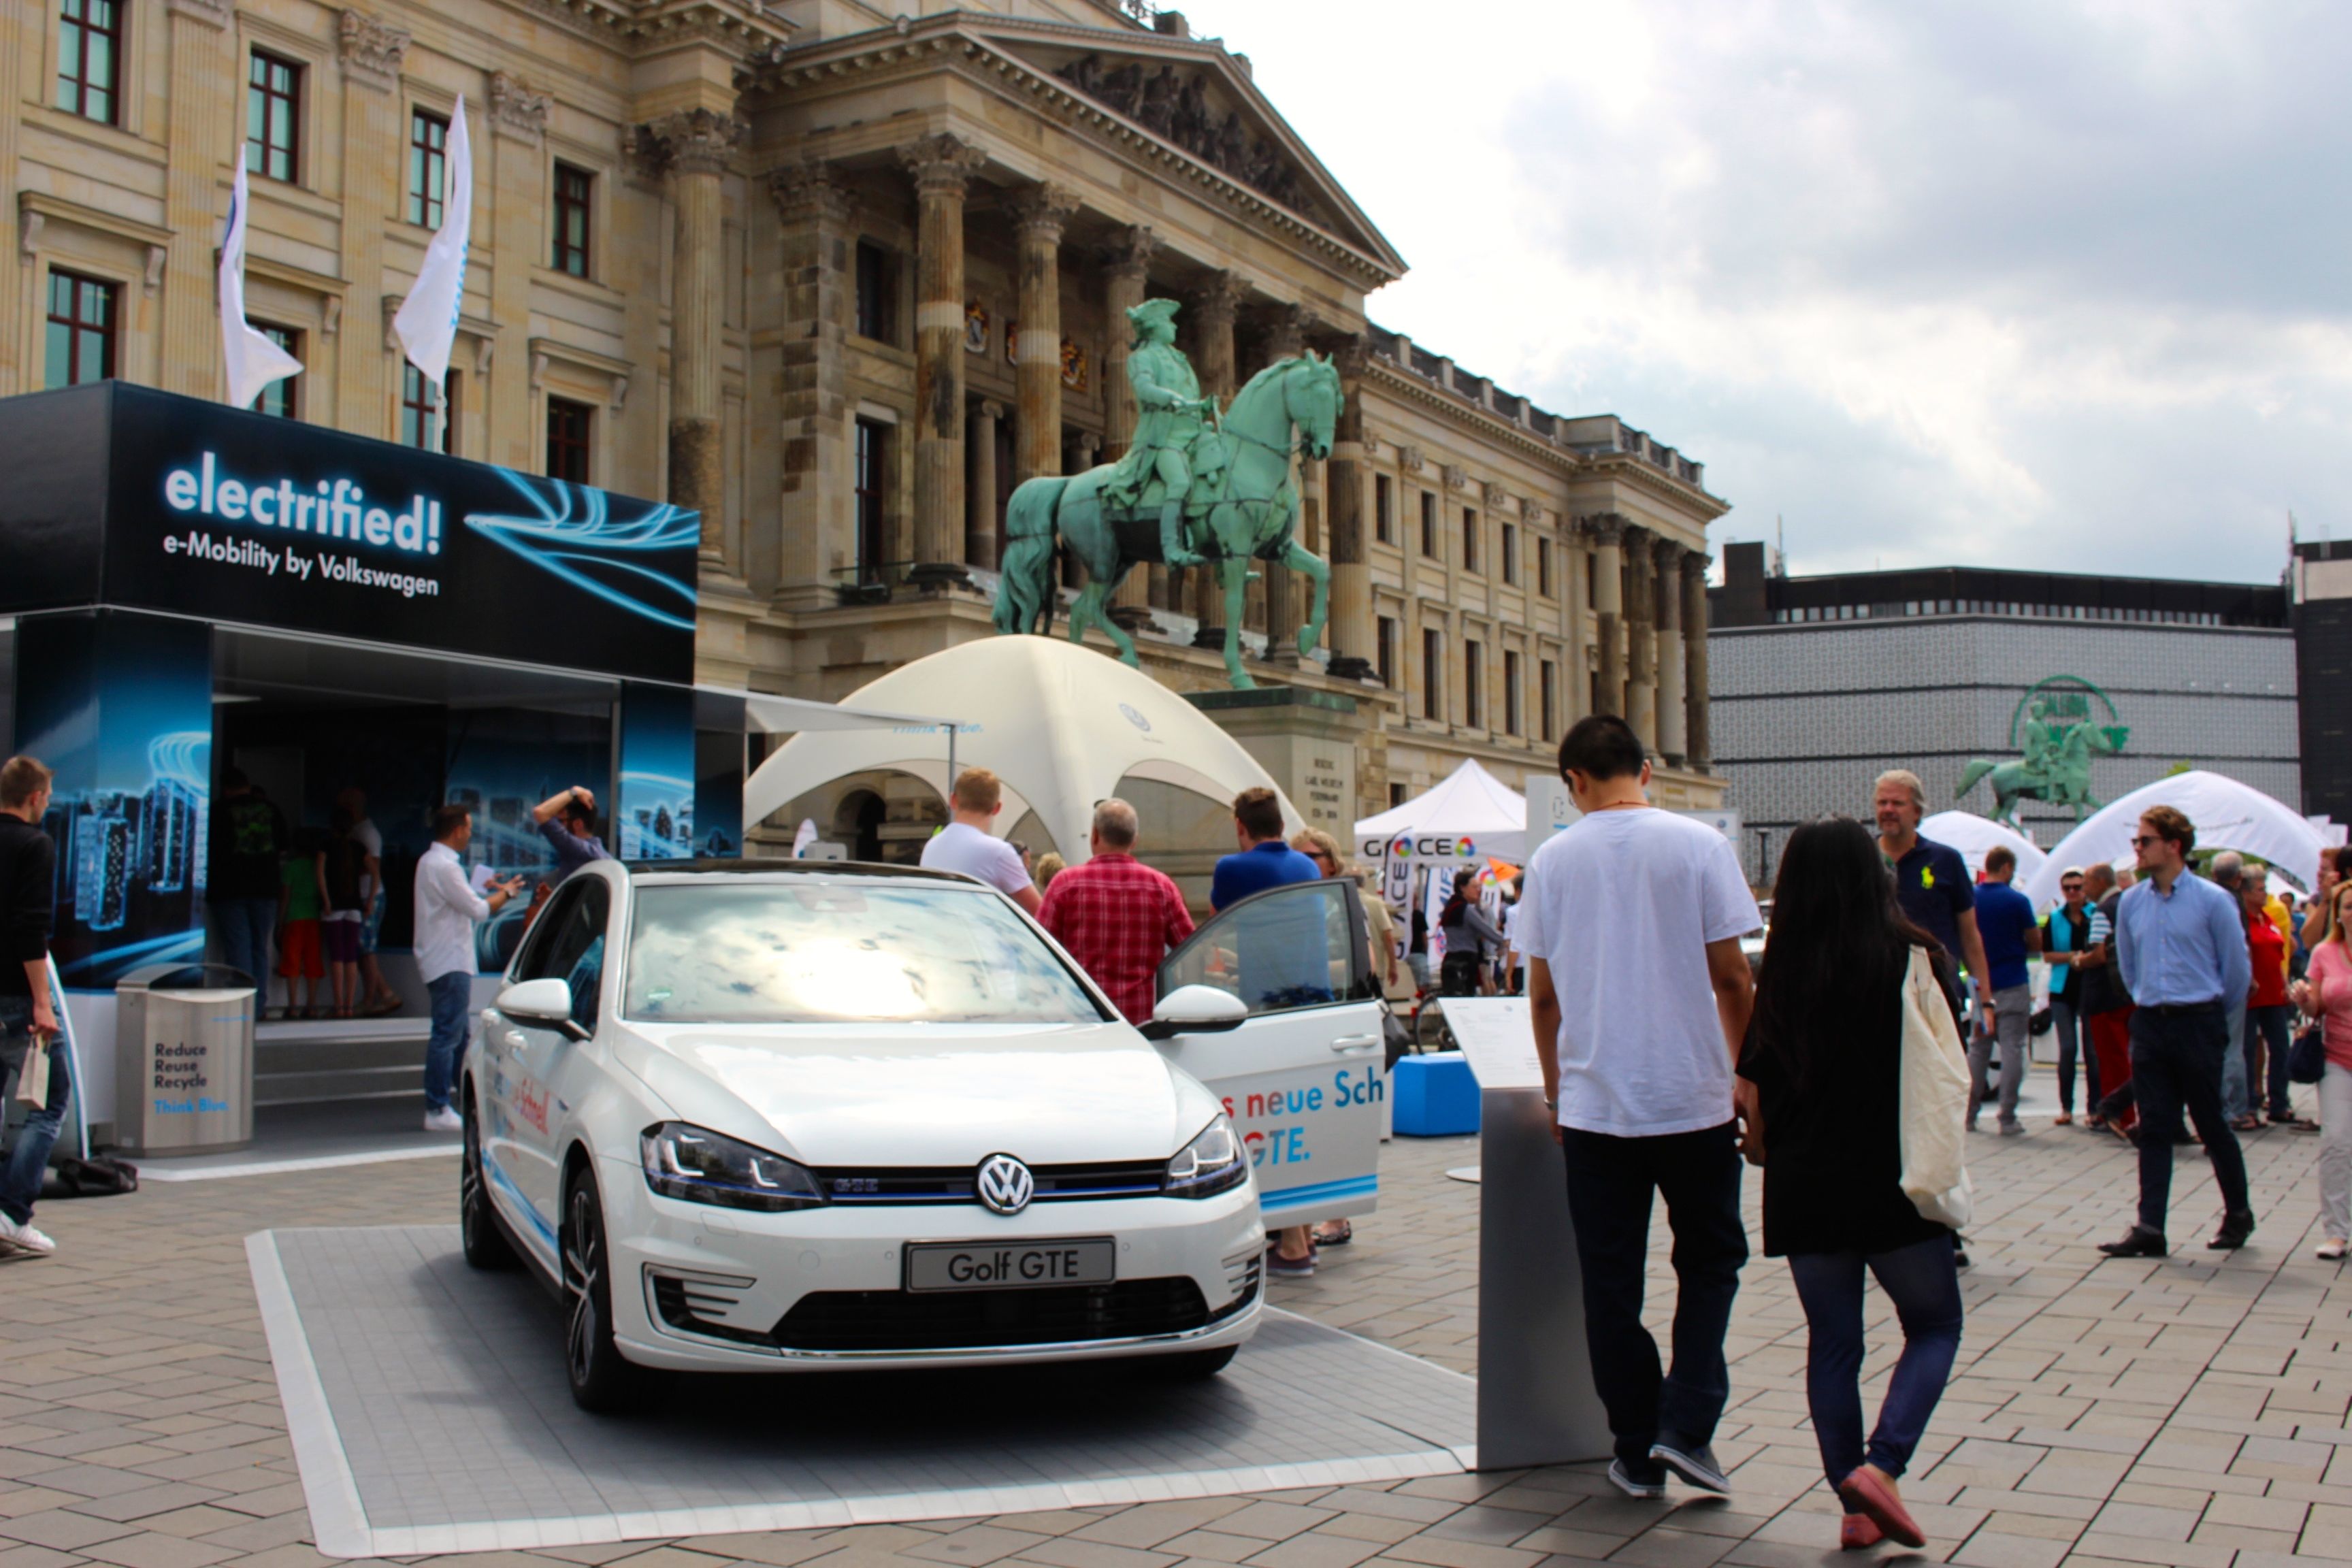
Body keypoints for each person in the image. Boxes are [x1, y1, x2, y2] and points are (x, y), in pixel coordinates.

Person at [1520, 715, 1760, 1501]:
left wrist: (1558, 1090)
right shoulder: (1700, 848)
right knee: (1712, 1261)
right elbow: (1732, 978)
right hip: (1694, 1096)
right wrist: (1749, 1077)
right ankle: (1686, 1423)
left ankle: (1633, 1443)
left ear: (1575, 782)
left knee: (1611, 1281)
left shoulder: (1553, 860)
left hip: (1596, 1107)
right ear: (1647, 770)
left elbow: (1546, 996)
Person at [1739, 819, 1963, 1551]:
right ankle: (1884, 1464)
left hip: (1806, 1183)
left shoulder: (1781, 973)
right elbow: (1946, 1062)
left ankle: (1856, 1505)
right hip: (1895, 1178)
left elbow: (1753, 1091)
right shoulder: (1914, 957)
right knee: (1933, 1325)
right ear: (1876, 878)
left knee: (1834, 1346)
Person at [2098, 806, 2256, 1258]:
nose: (2138, 849)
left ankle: (2238, 1213)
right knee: (2154, 1127)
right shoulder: (2131, 902)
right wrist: (2149, 1003)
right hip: (2151, 1021)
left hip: (2198, 1021)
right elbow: (2128, 967)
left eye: (2145, 840)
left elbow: (2236, 972)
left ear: (2174, 845)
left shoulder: (2212, 900)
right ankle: (2151, 1226)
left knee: (2210, 1124)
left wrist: (2216, 1027)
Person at [414, 804, 524, 1133]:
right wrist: (505, 894)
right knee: (448, 1035)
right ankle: (437, 1107)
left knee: (458, 1035)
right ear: (458, 829)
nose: (471, 833)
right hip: (450, 960)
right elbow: (477, 910)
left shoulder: (431, 863)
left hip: (442, 959)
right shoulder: (445, 867)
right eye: (469, 827)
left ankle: (465, 1098)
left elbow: (457, 901)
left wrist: (481, 887)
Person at [1037, 800, 1194, 1026]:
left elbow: (1040, 951)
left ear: (1094, 835)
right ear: (1134, 840)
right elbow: (1190, 948)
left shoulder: (1065, 884)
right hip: (1142, 1022)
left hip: (1082, 1018)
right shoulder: (1160, 886)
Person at [0, 757, 65, 1258]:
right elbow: (31, 929)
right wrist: (42, 1003)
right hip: (17, 996)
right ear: (36, 797)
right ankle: (12, 1213)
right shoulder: (35, 845)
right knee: (48, 1103)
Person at [1871, 772, 1993, 1031]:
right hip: (1878, 992)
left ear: (1916, 811)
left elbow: (1970, 935)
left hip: (1938, 990)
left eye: (1897, 803)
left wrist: (1985, 1002)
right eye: (1882, 803)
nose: (1888, 810)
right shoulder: (1863, 859)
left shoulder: (1946, 860)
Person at [2289, 879, 2352, 1260]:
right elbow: (2316, 1007)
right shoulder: (2325, 953)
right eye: (2346, 907)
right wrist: (2303, 1000)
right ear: (2338, 914)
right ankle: (2336, 1231)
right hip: (2337, 1058)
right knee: (2336, 1143)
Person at [1968, 846, 2040, 1135]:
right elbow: (2035, 941)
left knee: (1979, 1048)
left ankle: (1969, 1114)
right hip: (2012, 981)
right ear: (2007, 868)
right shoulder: (2018, 901)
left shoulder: (1971, 899)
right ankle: (2007, 1116)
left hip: (1982, 985)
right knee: (2013, 1047)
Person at [920, 768, 1044, 915]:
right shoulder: (999, 852)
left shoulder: (931, 846)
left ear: (953, 800)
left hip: (937, 935)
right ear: (997, 808)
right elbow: (1042, 913)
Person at [210, 767, 287, 986]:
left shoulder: (218, 810)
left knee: (238, 948)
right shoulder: (270, 809)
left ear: (225, 789)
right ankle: (258, 1004)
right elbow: (283, 848)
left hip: (229, 888)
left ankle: (243, 1003)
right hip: (266, 889)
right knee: (259, 948)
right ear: (247, 785)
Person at [2076, 862, 2136, 1135]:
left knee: (2112, 1058)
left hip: (2104, 995)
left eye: (2086, 883)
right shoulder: (2130, 902)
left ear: (2100, 882)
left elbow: (2099, 953)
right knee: (2128, 1054)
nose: (2084, 889)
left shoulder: (2103, 910)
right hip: (2128, 993)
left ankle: (2120, 1115)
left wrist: (2079, 960)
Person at [2242, 876, 2300, 1130]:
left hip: (2274, 995)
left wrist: (2285, 984)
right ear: (2245, 893)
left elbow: (2282, 953)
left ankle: (2279, 1102)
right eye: (2260, 889)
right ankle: (2248, 1104)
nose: (2265, 893)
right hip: (2251, 997)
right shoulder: (2242, 921)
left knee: (2281, 1048)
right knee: (2247, 1051)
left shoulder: (2269, 918)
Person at [339, 787, 402, 1016]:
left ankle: (377, 996)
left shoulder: (367, 834)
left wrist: (368, 899)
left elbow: (373, 870)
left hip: (370, 897)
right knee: (364, 947)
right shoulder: (356, 830)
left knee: (367, 949)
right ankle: (379, 994)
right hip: (363, 897)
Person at [2042, 867, 2095, 1125]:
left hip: (2090, 987)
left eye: (2077, 887)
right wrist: (2073, 957)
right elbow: (2047, 955)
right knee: (2068, 1048)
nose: (2073, 892)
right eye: (2068, 888)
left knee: (2092, 1051)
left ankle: (2095, 1107)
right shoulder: (2056, 918)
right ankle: (2066, 1107)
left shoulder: (2095, 914)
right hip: (2062, 988)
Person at [1209, 786, 1319, 912]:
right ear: (1282, 826)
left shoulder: (1230, 867)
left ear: (1240, 827)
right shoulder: (1309, 865)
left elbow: (1215, 928)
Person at [2209, 853, 2255, 1128]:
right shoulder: (2232, 900)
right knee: (2232, 1047)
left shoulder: (2210, 897)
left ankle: (2226, 1106)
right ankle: (2232, 1109)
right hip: (2230, 979)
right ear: (2239, 878)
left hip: (2211, 981)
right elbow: (2240, 946)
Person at [320, 804, 368, 1019]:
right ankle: (349, 1004)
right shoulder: (359, 848)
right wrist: (371, 898)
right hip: (355, 906)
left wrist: (326, 900)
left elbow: (320, 874)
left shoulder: (326, 847)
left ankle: (338, 1004)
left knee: (336, 956)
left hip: (334, 906)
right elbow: (374, 872)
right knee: (351, 956)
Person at [276, 823, 329, 1020]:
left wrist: (280, 922)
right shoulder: (318, 866)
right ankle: (312, 1005)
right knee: (313, 961)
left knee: (292, 961)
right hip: (314, 918)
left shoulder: (291, 868)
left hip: (294, 918)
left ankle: (292, 1005)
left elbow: (285, 898)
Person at [1438, 869, 1505, 996]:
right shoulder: (1467, 909)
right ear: (1462, 888)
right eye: (1474, 887)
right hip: (1466, 959)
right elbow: (1486, 929)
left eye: (1479, 887)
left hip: (1450, 957)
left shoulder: (1449, 907)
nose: (1478, 890)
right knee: (1468, 996)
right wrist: (1504, 941)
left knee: (1451, 997)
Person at [532, 785, 612, 884]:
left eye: (560, 821)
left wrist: (574, 792)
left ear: (578, 824)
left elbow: (540, 813)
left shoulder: (580, 850)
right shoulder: (602, 855)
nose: (557, 825)